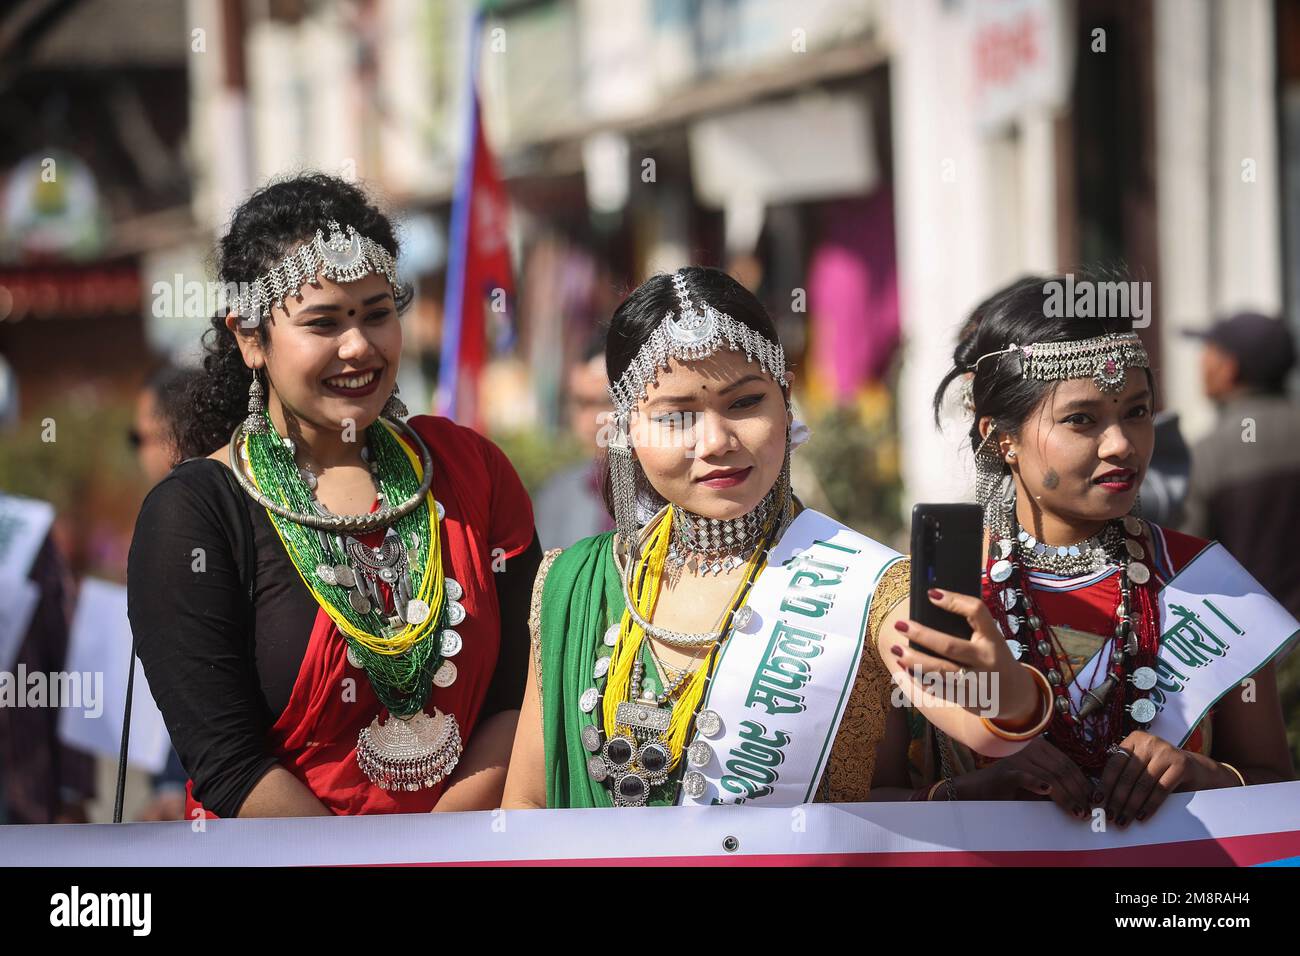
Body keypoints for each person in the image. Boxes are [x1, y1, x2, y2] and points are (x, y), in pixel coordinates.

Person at [502, 267, 1052, 809]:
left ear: (785, 404)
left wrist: (1004, 687)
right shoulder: (573, 585)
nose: (716, 441)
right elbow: (527, 802)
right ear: (626, 428)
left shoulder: (864, 584)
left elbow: (978, 723)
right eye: (676, 417)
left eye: (745, 403)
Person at [127, 173, 540, 818]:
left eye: (377, 314)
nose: (358, 347)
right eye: (323, 323)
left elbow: (521, 692)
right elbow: (227, 762)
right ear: (249, 338)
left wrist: (436, 855)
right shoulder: (196, 515)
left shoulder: (473, 471)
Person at [870, 277, 1295, 824]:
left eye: (1137, 412)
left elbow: (1276, 792)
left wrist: (1198, 775)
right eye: (1081, 420)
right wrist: (971, 793)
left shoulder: (1199, 577)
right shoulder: (936, 584)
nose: (1122, 444)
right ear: (1002, 440)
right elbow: (863, 807)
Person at [1183, 312, 1300, 617]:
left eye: (1208, 352)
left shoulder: (1207, 456)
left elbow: (1190, 562)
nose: (1201, 363)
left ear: (1228, 369)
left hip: (1257, 642)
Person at [532, 335, 614, 550]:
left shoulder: (667, 491)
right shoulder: (558, 493)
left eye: (605, 402)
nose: (591, 419)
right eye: (580, 402)